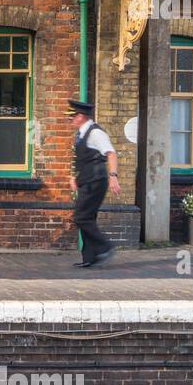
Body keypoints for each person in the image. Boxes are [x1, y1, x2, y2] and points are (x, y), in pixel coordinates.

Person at [68, 99, 121, 268]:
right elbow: (86, 159)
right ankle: (90, 258)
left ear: (81, 116)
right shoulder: (82, 133)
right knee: (87, 218)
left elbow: (111, 153)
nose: (70, 120)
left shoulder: (95, 133)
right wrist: (76, 178)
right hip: (87, 181)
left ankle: (105, 246)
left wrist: (113, 175)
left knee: (81, 217)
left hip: (95, 181)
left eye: (72, 116)